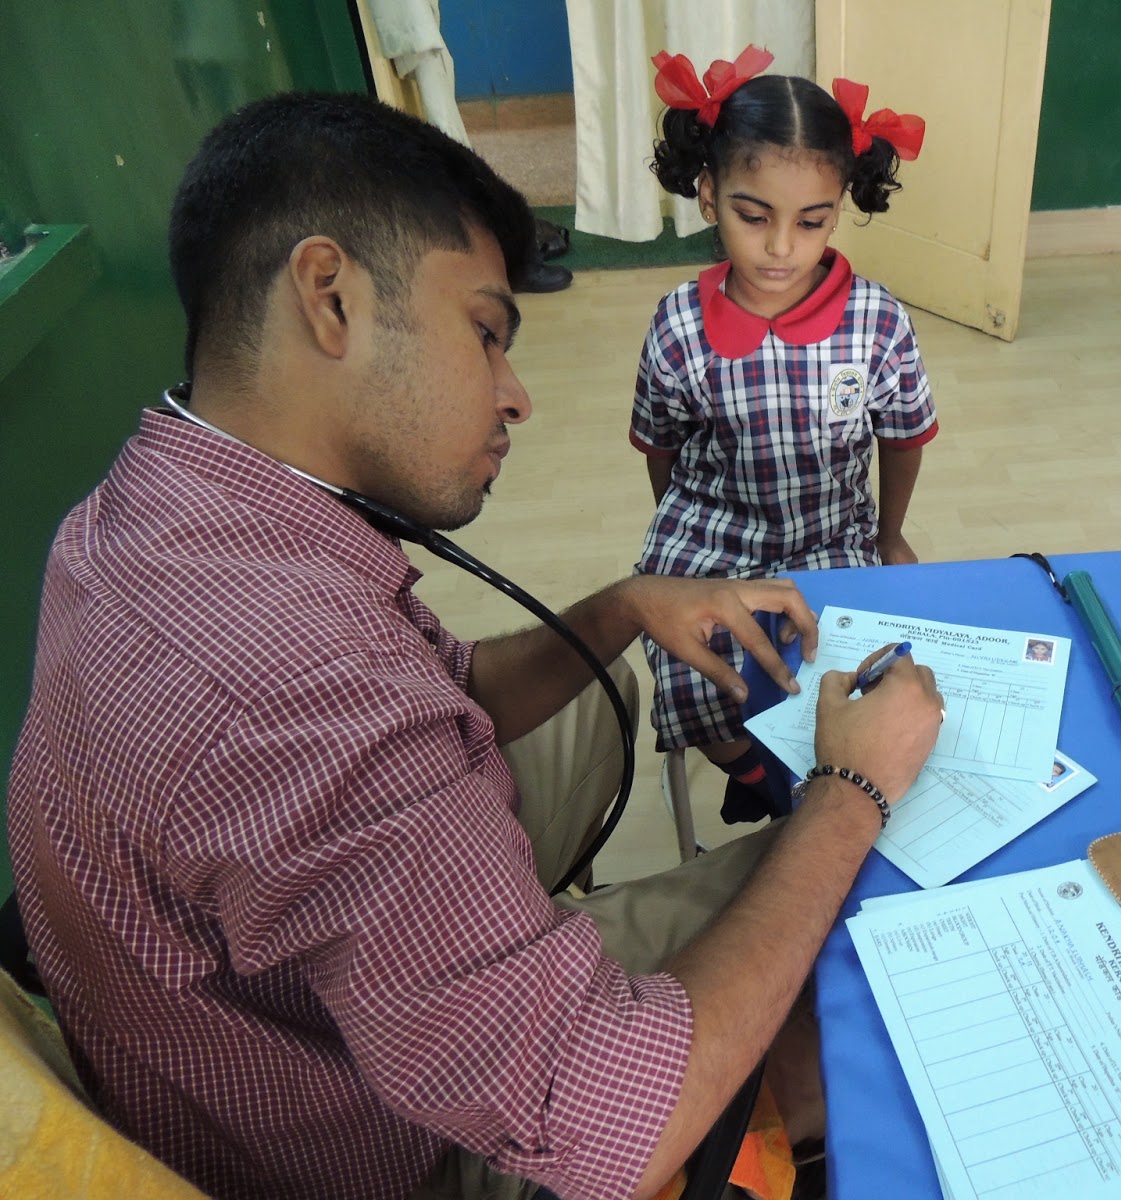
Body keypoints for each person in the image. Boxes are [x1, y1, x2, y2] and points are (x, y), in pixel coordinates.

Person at [4, 91, 946, 1200]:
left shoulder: (157, 501)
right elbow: (611, 1128)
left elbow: (438, 691)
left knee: (600, 702)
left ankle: (526, 933)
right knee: (889, 913)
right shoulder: (302, 698)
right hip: (386, 1152)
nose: (516, 395)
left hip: (229, 1041)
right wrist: (845, 786)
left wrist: (618, 607)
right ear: (329, 295)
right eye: (487, 331)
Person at [629, 47, 937, 823]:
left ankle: (804, 777)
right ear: (707, 194)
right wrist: (675, 536)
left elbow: (904, 438)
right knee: (691, 674)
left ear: (840, 207)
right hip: (714, 525)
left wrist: (890, 533)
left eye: (812, 221)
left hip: (830, 532)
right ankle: (758, 778)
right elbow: (660, 447)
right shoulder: (678, 325)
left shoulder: (877, 321)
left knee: (847, 679)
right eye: (752, 214)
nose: (780, 248)